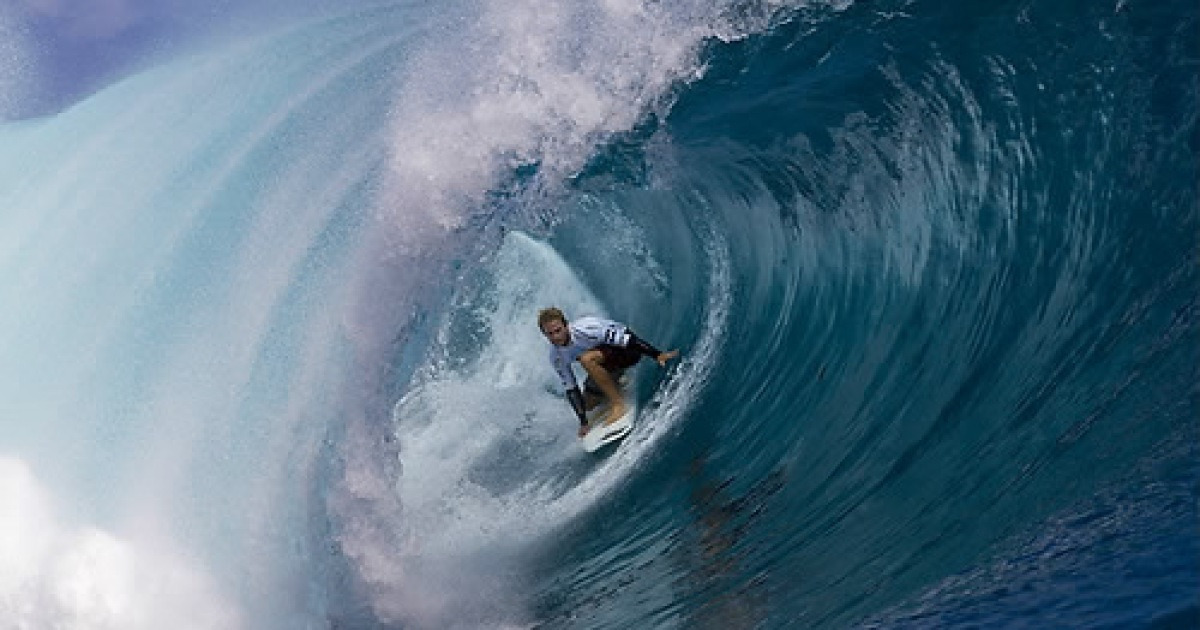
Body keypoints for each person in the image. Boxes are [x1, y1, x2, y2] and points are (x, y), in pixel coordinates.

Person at [538, 307, 679, 437]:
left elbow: (627, 340)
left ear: (566, 325)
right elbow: (571, 388)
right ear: (544, 334)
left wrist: (657, 355)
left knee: (586, 360)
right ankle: (617, 381)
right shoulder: (556, 356)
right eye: (550, 334)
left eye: (558, 330)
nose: (556, 337)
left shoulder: (586, 329)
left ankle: (618, 403)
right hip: (607, 360)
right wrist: (583, 422)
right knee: (587, 405)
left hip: (628, 351)